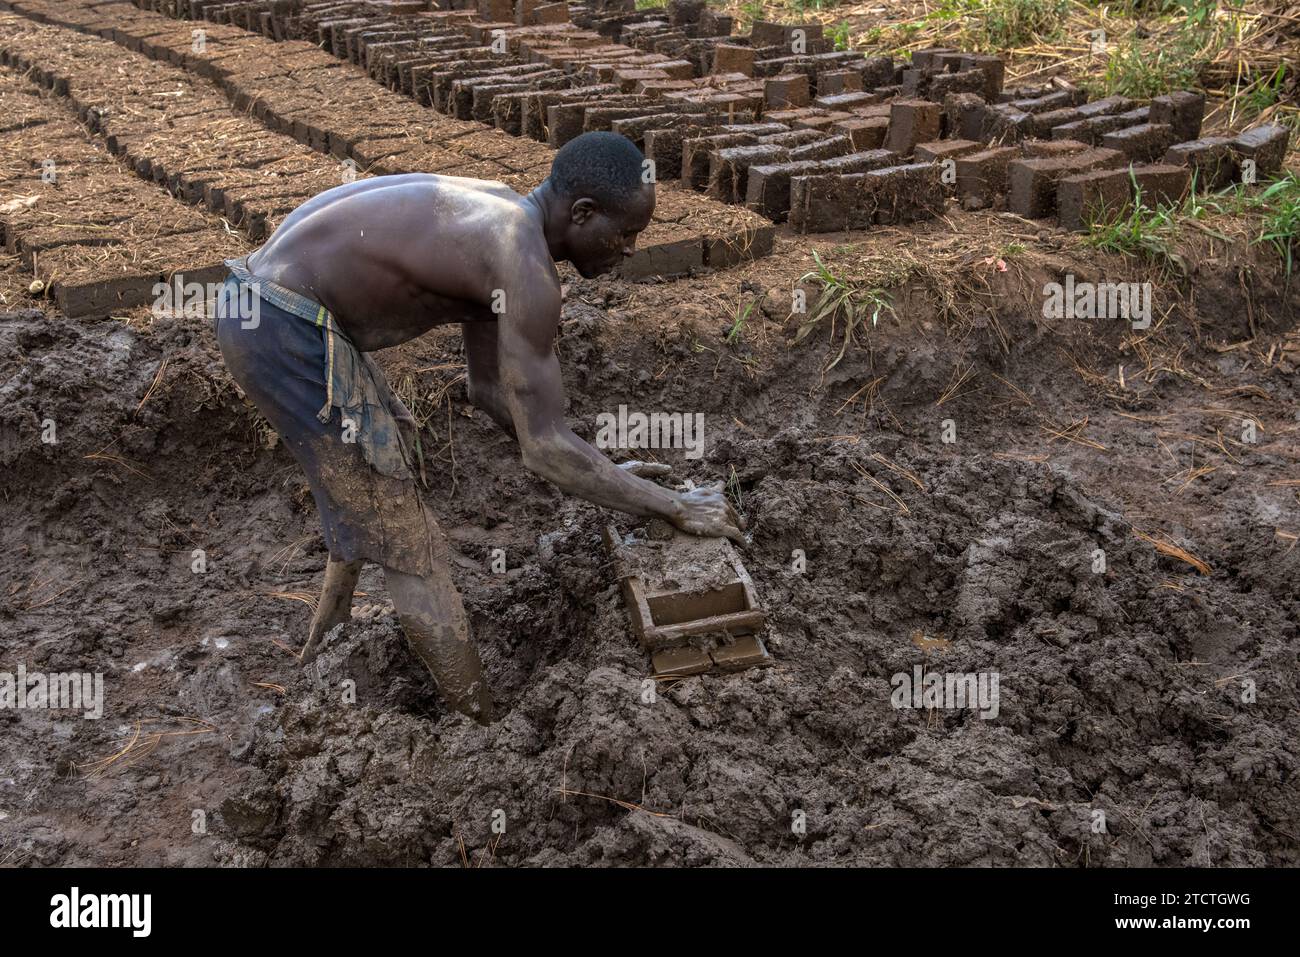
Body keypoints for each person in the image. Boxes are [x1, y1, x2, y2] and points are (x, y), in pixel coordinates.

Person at [213, 132, 744, 723]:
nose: (629, 250)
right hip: (281, 326)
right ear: (583, 214)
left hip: (269, 305)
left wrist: (612, 477)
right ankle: (481, 728)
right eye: (625, 234)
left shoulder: (505, 218)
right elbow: (544, 448)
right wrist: (672, 505)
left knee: (378, 481)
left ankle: (316, 660)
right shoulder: (524, 265)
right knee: (407, 540)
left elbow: (488, 390)